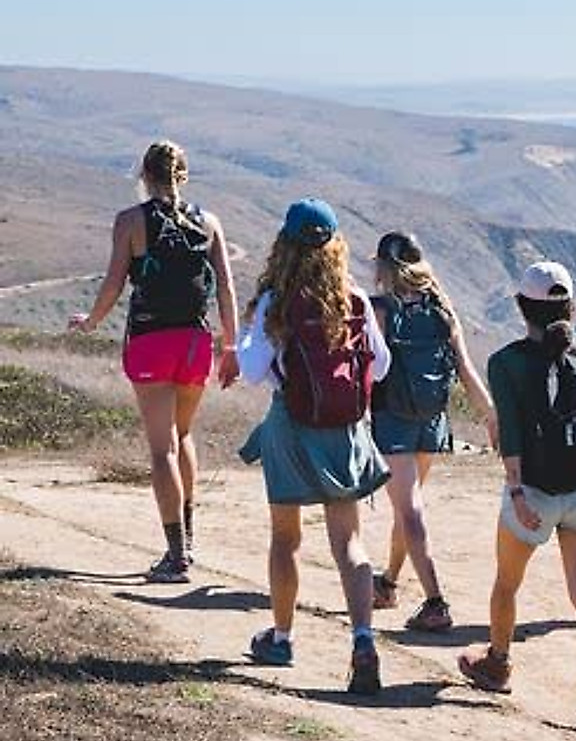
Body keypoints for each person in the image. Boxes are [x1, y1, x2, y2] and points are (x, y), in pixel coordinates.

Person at [458, 261, 576, 734]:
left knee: (507, 583)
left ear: (520, 307)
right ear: (570, 307)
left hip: (530, 494)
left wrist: (517, 490)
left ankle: (498, 663)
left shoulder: (506, 362)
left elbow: (509, 435)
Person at [236, 198, 391, 695]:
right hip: (345, 430)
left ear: (285, 244)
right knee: (349, 541)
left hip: (291, 427)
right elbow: (380, 367)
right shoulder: (356, 300)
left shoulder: (274, 304)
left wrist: (241, 340)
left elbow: (254, 371)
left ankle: (281, 638)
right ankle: (363, 639)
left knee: (287, 539)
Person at [69, 140, 240, 583]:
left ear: (144, 174)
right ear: (183, 174)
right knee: (182, 436)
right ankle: (188, 540)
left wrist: (90, 321)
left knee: (161, 446)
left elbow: (113, 284)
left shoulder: (130, 221)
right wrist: (231, 346)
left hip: (150, 340)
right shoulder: (209, 221)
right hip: (195, 343)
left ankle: (175, 556)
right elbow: (225, 289)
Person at [369, 231, 497, 631]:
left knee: (409, 510)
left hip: (392, 419)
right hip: (432, 421)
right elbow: (465, 370)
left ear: (385, 267)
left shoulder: (380, 310)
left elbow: (364, 369)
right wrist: (491, 416)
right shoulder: (442, 309)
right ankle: (388, 583)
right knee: (409, 508)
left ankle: (435, 601)